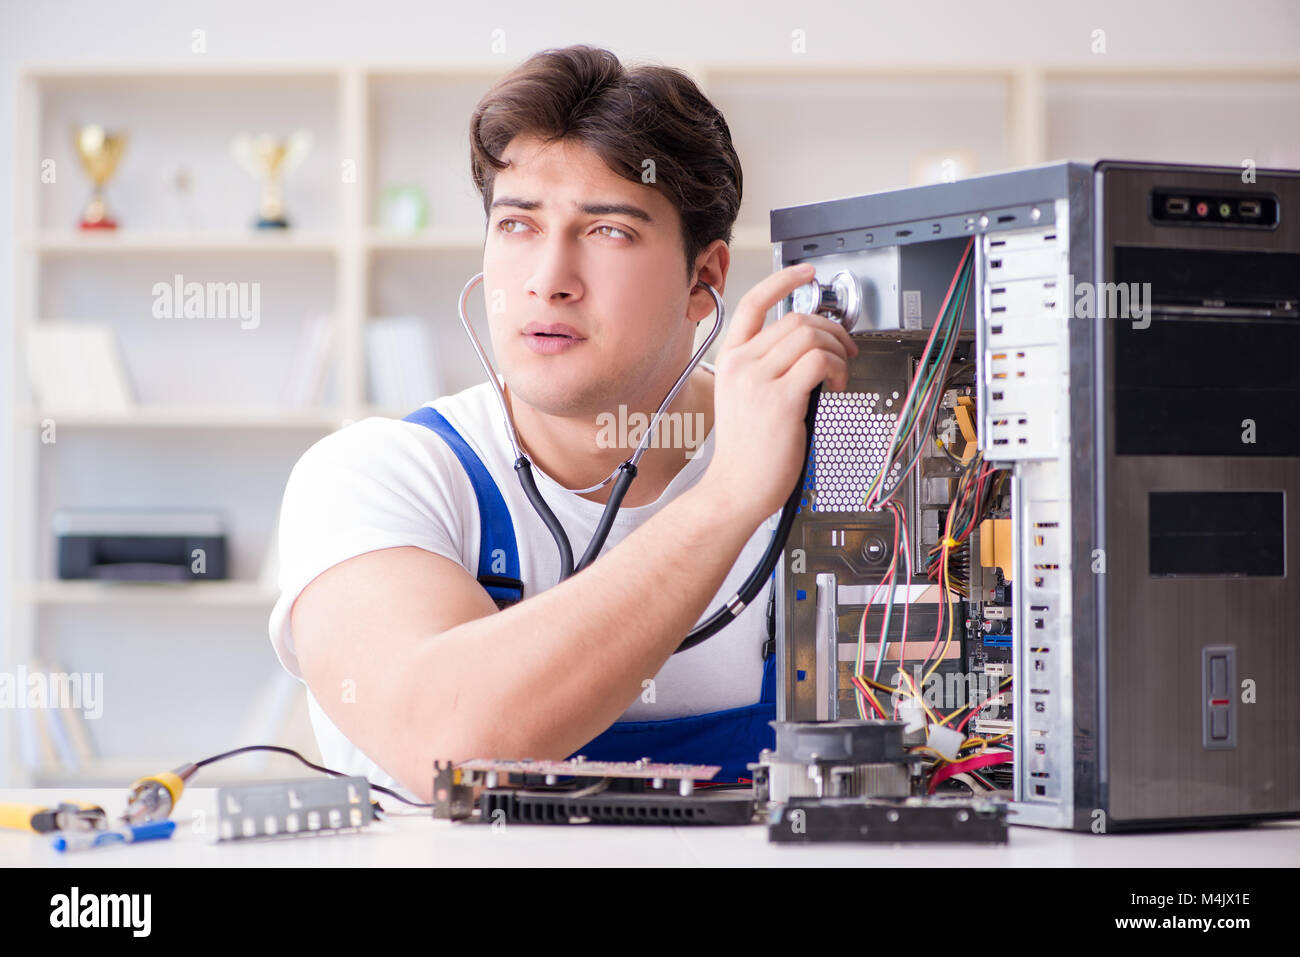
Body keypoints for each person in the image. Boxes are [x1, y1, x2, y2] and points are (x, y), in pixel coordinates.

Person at [267, 44, 856, 803]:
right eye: (518, 226)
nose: (548, 280)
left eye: (607, 230)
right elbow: (444, 744)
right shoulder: (375, 475)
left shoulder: (833, 466)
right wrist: (730, 494)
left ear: (703, 279)